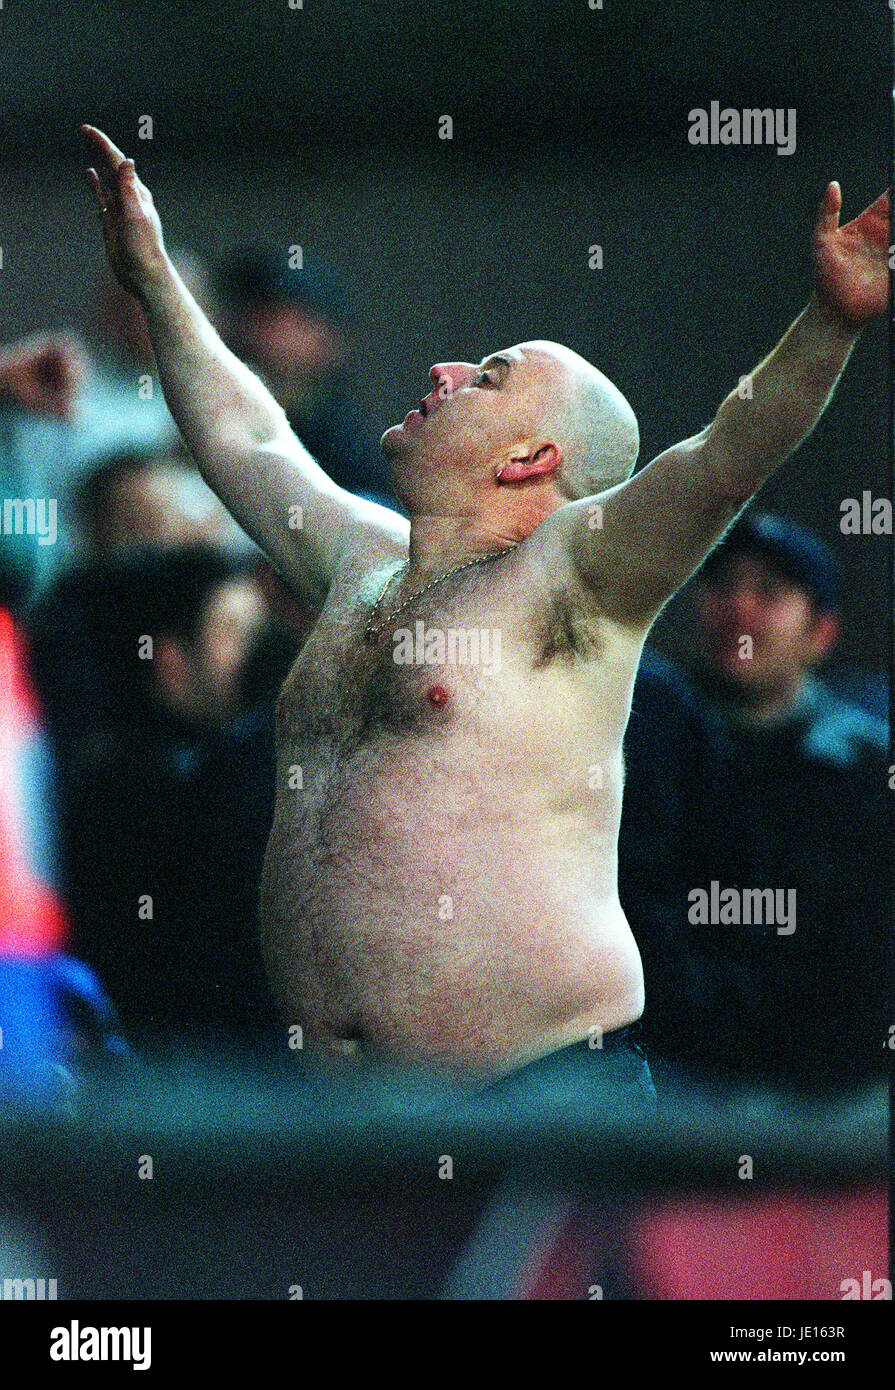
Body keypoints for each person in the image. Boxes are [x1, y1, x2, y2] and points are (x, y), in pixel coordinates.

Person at [80, 124, 888, 1100]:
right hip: (348, 1120)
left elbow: (726, 455)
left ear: (529, 460)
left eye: (486, 376)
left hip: (543, 1101)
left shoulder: (579, 577)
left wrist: (830, 322)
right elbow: (244, 433)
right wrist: (153, 275)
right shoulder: (359, 559)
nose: (441, 374)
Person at [675, 510, 889, 1091]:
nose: (740, 608)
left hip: (826, 1089)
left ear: (821, 633)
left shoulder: (865, 767)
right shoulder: (647, 745)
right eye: (721, 585)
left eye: (768, 592)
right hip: (673, 1083)